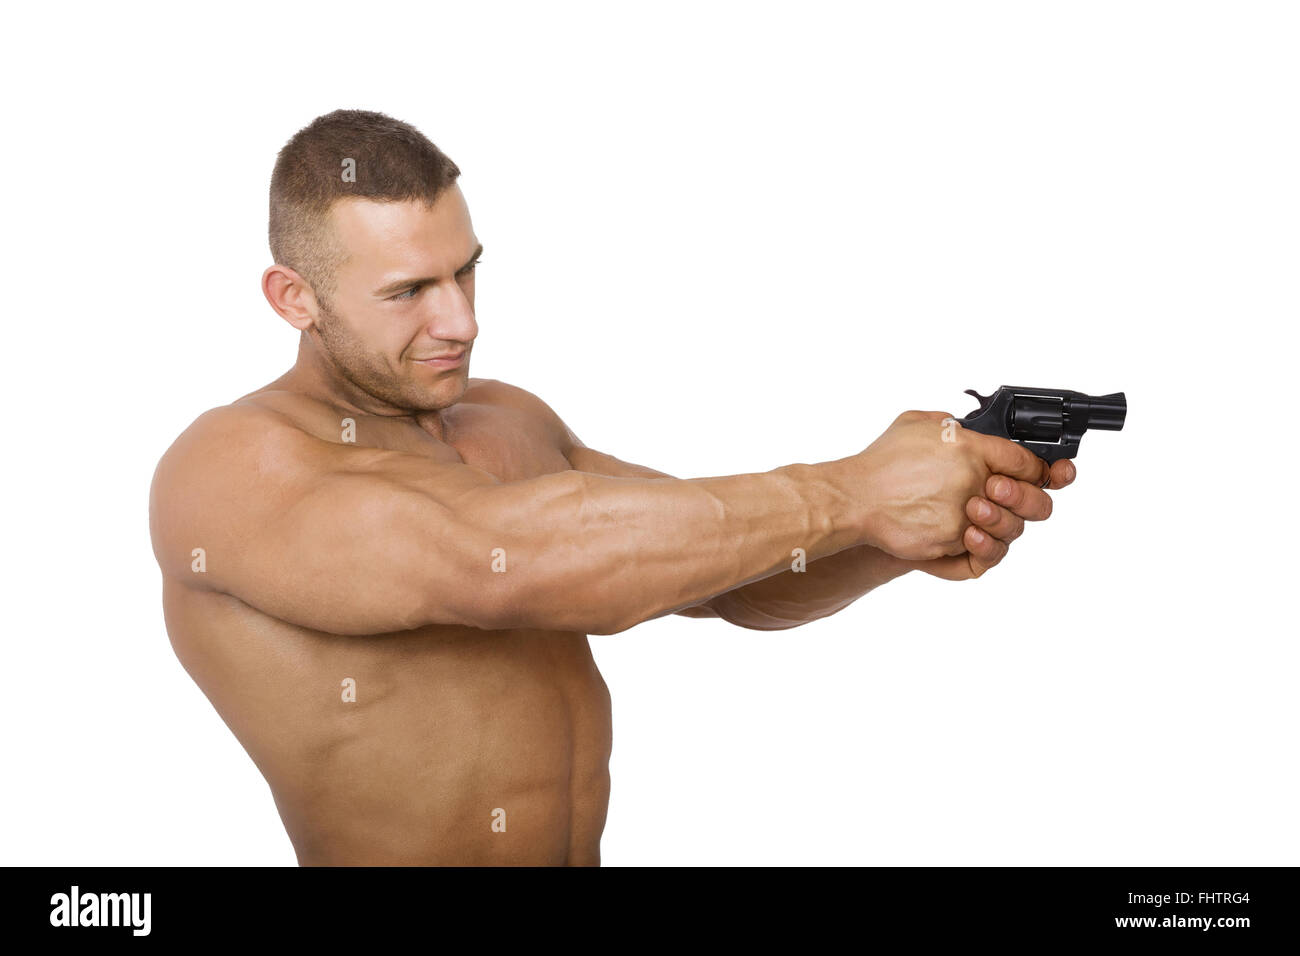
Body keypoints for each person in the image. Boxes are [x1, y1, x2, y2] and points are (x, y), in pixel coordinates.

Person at [149, 109, 1074, 865]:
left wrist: (910, 529)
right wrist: (862, 491)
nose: (461, 320)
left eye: (468, 271)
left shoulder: (503, 420)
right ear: (293, 298)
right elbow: (505, 564)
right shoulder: (234, 465)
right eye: (409, 292)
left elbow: (734, 578)